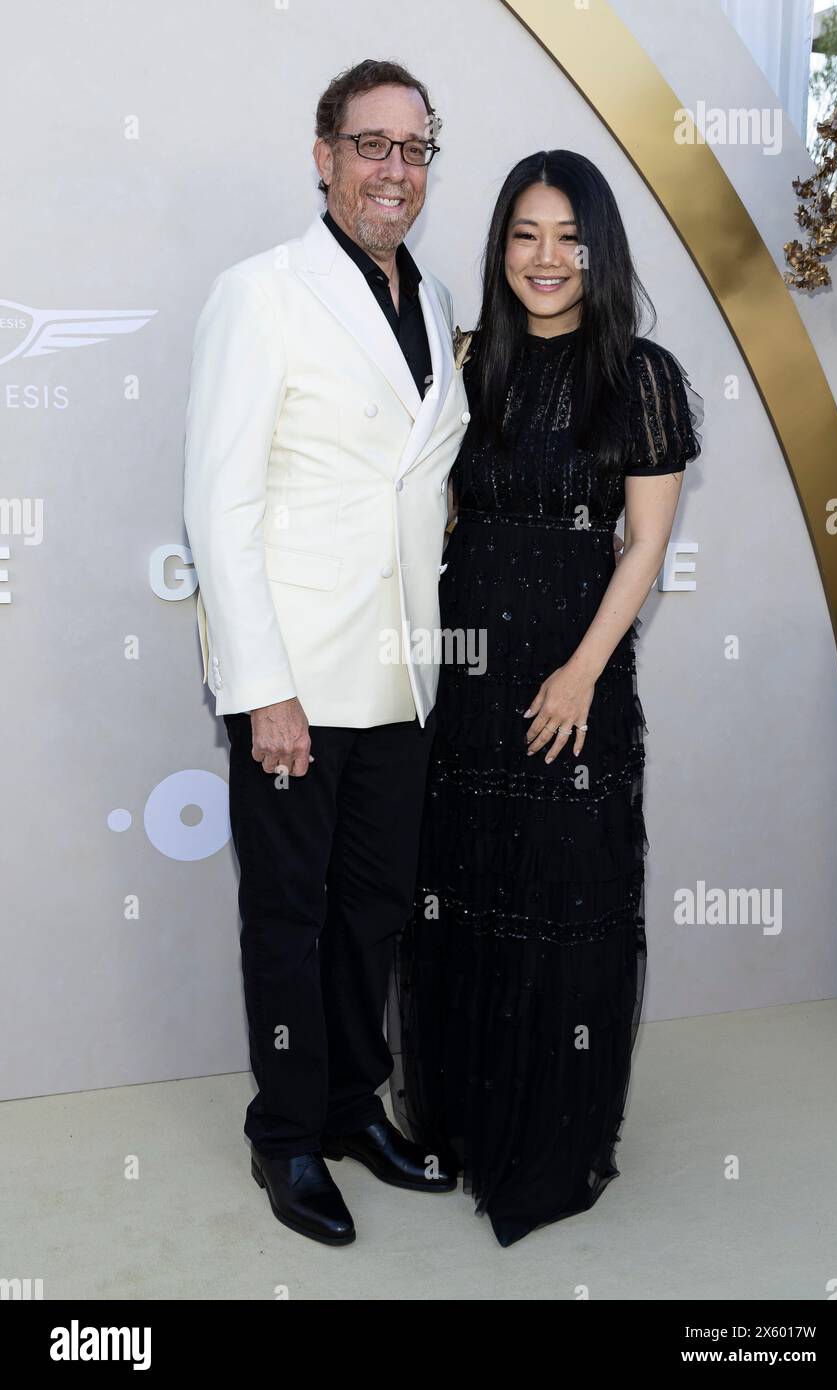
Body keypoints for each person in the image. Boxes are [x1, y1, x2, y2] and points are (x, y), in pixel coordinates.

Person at [390, 150, 704, 1247]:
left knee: (565, 902)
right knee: (466, 893)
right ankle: (470, 1120)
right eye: (524, 234)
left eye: (567, 236)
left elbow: (646, 545)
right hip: (466, 682)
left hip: (575, 679)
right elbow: (431, 517)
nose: (545, 257)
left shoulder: (641, 374)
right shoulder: (469, 362)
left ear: (599, 249)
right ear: (499, 249)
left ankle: (550, 1138)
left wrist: (576, 670)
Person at [183, 59, 470, 1246]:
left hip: (401, 679)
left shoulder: (437, 296)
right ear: (323, 156)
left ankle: (354, 1106)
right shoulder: (260, 293)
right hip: (295, 684)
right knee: (288, 918)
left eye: (413, 148)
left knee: (374, 913)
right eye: (370, 146)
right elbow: (220, 505)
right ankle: (289, 1136)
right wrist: (263, 692)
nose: (392, 171)